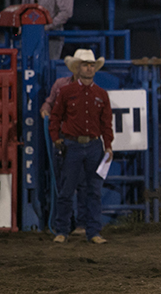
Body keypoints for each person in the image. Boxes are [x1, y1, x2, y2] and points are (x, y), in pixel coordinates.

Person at [49, 49, 113, 244]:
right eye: (85, 65)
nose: (89, 68)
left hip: (94, 145)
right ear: (78, 68)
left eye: (91, 65)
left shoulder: (101, 94)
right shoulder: (67, 92)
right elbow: (56, 116)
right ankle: (63, 230)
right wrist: (55, 138)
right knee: (67, 190)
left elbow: (106, 124)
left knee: (93, 190)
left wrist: (108, 145)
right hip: (73, 144)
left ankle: (93, 232)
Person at [41, 63, 88, 237]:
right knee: (63, 184)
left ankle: (80, 223)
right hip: (63, 138)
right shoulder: (61, 85)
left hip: (80, 139)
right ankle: (65, 224)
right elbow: (49, 103)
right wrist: (45, 110)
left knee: (81, 184)